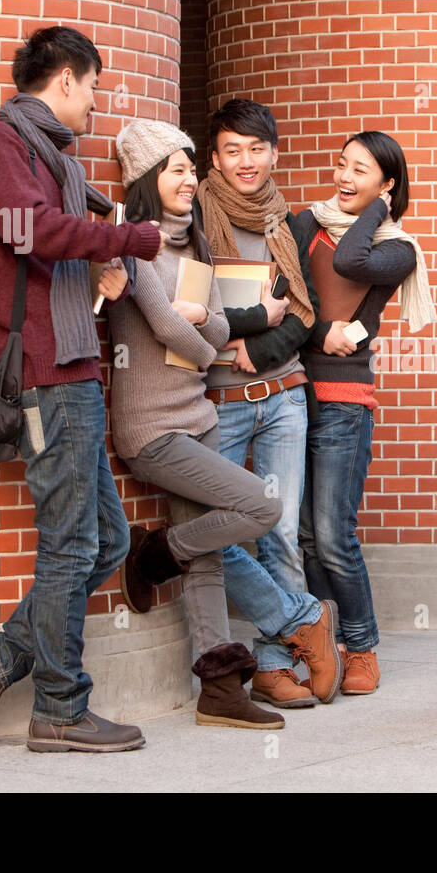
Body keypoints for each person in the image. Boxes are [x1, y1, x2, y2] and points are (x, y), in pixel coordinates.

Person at [0, 26, 160, 753]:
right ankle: (60, 710)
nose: (96, 104)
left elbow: (49, 249)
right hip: (41, 374)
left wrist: (94, 275)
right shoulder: (2, 147)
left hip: (73, 370)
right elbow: (34, 233)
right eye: (95, 87)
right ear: (65, 79)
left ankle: (3, 654)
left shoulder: (52, 159)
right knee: (73, 541)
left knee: (105, 538)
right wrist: (127, 241)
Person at [108, 118, 301, 729]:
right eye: (177, 168)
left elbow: (213, 327)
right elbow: (170, 328)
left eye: (193, 167)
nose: (190, 178)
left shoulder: (194, 243)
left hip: (199, 416)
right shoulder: (131, 241)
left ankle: (217, 689)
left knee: (210, 557)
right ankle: (156, 553)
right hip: (151, 428)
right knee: (262, 508)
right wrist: (194, 321)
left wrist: (193, 317)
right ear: (148, 177)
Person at [196, 98, 343, 708]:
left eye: (257, 148)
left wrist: (256, 347)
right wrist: (254, 324)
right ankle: (305, 619)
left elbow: (304, 311)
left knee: (281, 530)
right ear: (215, 158)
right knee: (214, 529)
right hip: (220, 400)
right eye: (233, 150)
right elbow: (192, 307)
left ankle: (276, 666)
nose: (246, 161)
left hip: (283, 392)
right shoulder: (196, 216)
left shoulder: (286, 220)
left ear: (274, 152)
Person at [296, 131, 437, 695]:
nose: (344, 178)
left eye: (361, 171)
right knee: (304, 537)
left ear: (387, 184)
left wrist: (378, 209)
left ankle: (361, 646)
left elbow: (353, 261)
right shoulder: (305, 224)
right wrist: (315, 331)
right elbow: (290, 295)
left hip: (344, 404)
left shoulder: (397, 249)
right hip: (290, 395)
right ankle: (319, 644)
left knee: (333, 535)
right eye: (341, 165)